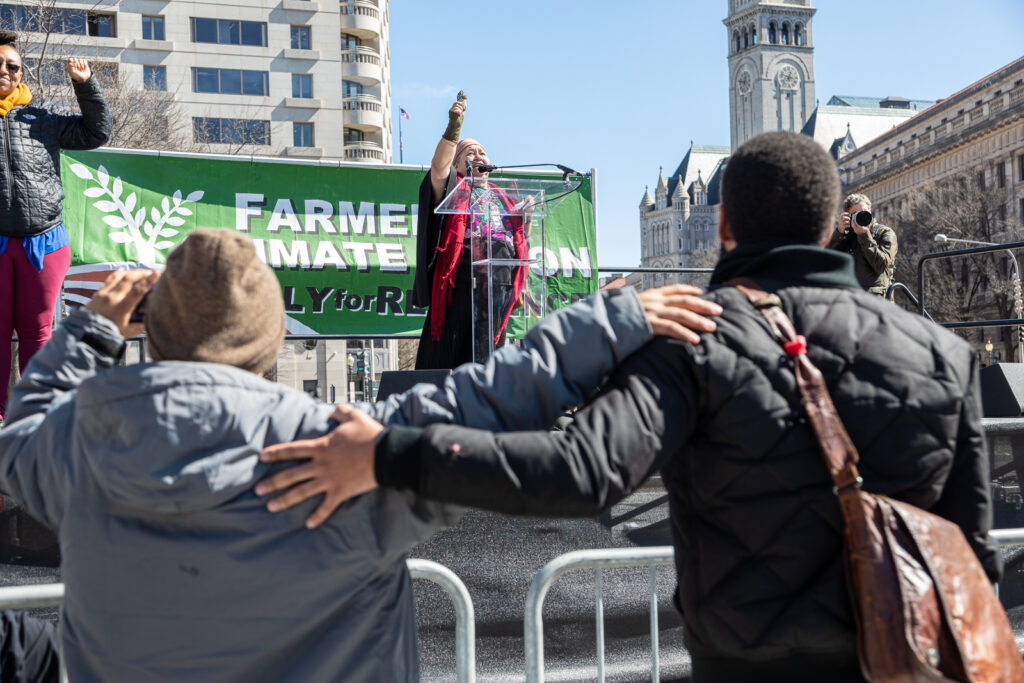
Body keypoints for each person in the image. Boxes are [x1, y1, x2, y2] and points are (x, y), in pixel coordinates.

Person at [259, 132, 999, 683]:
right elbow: (977, 556)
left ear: (723, 229)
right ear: (832, 225)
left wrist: (387, 454)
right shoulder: (946, 355)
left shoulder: (697, 335)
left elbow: (581, 471)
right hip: (919, 659)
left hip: (743, 661)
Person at [0, 227, 719, 681]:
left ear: (149, 335)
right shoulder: (348, 448)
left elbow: (20, 435)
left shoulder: (76, 444)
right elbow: (493, 395)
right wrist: (611, 320)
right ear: (272, 340)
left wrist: (87, 332)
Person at [0, 30, 111, 425]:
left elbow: (97, 133)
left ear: (21, 72)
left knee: (38, 333)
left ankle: (36, 418)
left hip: (43, 241)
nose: (4, 71)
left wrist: (86, 86)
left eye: (12, 66)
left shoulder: (40, 115)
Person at [412, 93, 528, 369]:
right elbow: (438, 166)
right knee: (448, 360)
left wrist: (527, 214)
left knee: (487, 367)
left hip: (496, 288)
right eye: (469, 152)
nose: (478, 155)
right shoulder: (455, 187)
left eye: (482, 151)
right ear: (457, 163)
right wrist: (454, 127)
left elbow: (519, 240)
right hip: (460, 286)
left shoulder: (505, 196)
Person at [826, 192, 897, 295]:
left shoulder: (884, 233)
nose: (861, 216)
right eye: (856, 214)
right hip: (848, 298)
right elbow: (826, 261)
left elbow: (881, 265)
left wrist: (864, 235)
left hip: (876, 299)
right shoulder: (845, 236)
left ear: (870, 211)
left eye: (864, 212)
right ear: (848, 216)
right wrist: (838, 232)